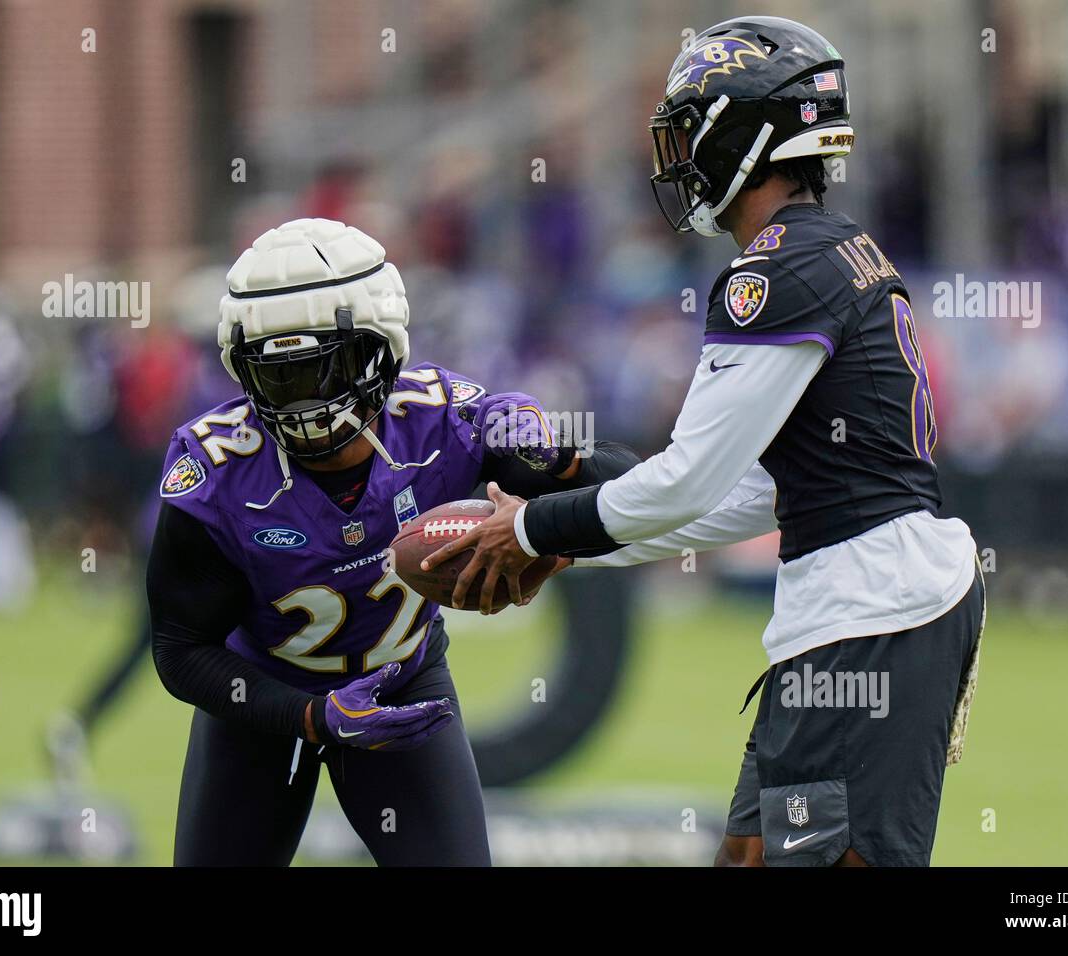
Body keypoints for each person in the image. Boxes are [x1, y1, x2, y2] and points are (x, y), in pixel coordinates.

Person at [423, 17, 984, 868]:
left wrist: (529, 530)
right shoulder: (835, 252)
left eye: (691, 129)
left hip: (872, 611)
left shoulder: (776, 273)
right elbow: (753, 496)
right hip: (861, 599)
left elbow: (687, 483)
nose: (678, 157)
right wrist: (573, 550)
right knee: (749, 854)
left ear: (745, 133)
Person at [147, 218, 637, 865]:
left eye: (324, 369)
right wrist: (313, 716)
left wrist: (556, 484)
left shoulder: (445, 423)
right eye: (280, 376)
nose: (304, 402)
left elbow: (633, 493)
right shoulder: (215, 470)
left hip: (403, 689)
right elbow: (181, 650)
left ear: (381, 349)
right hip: (260, 709)